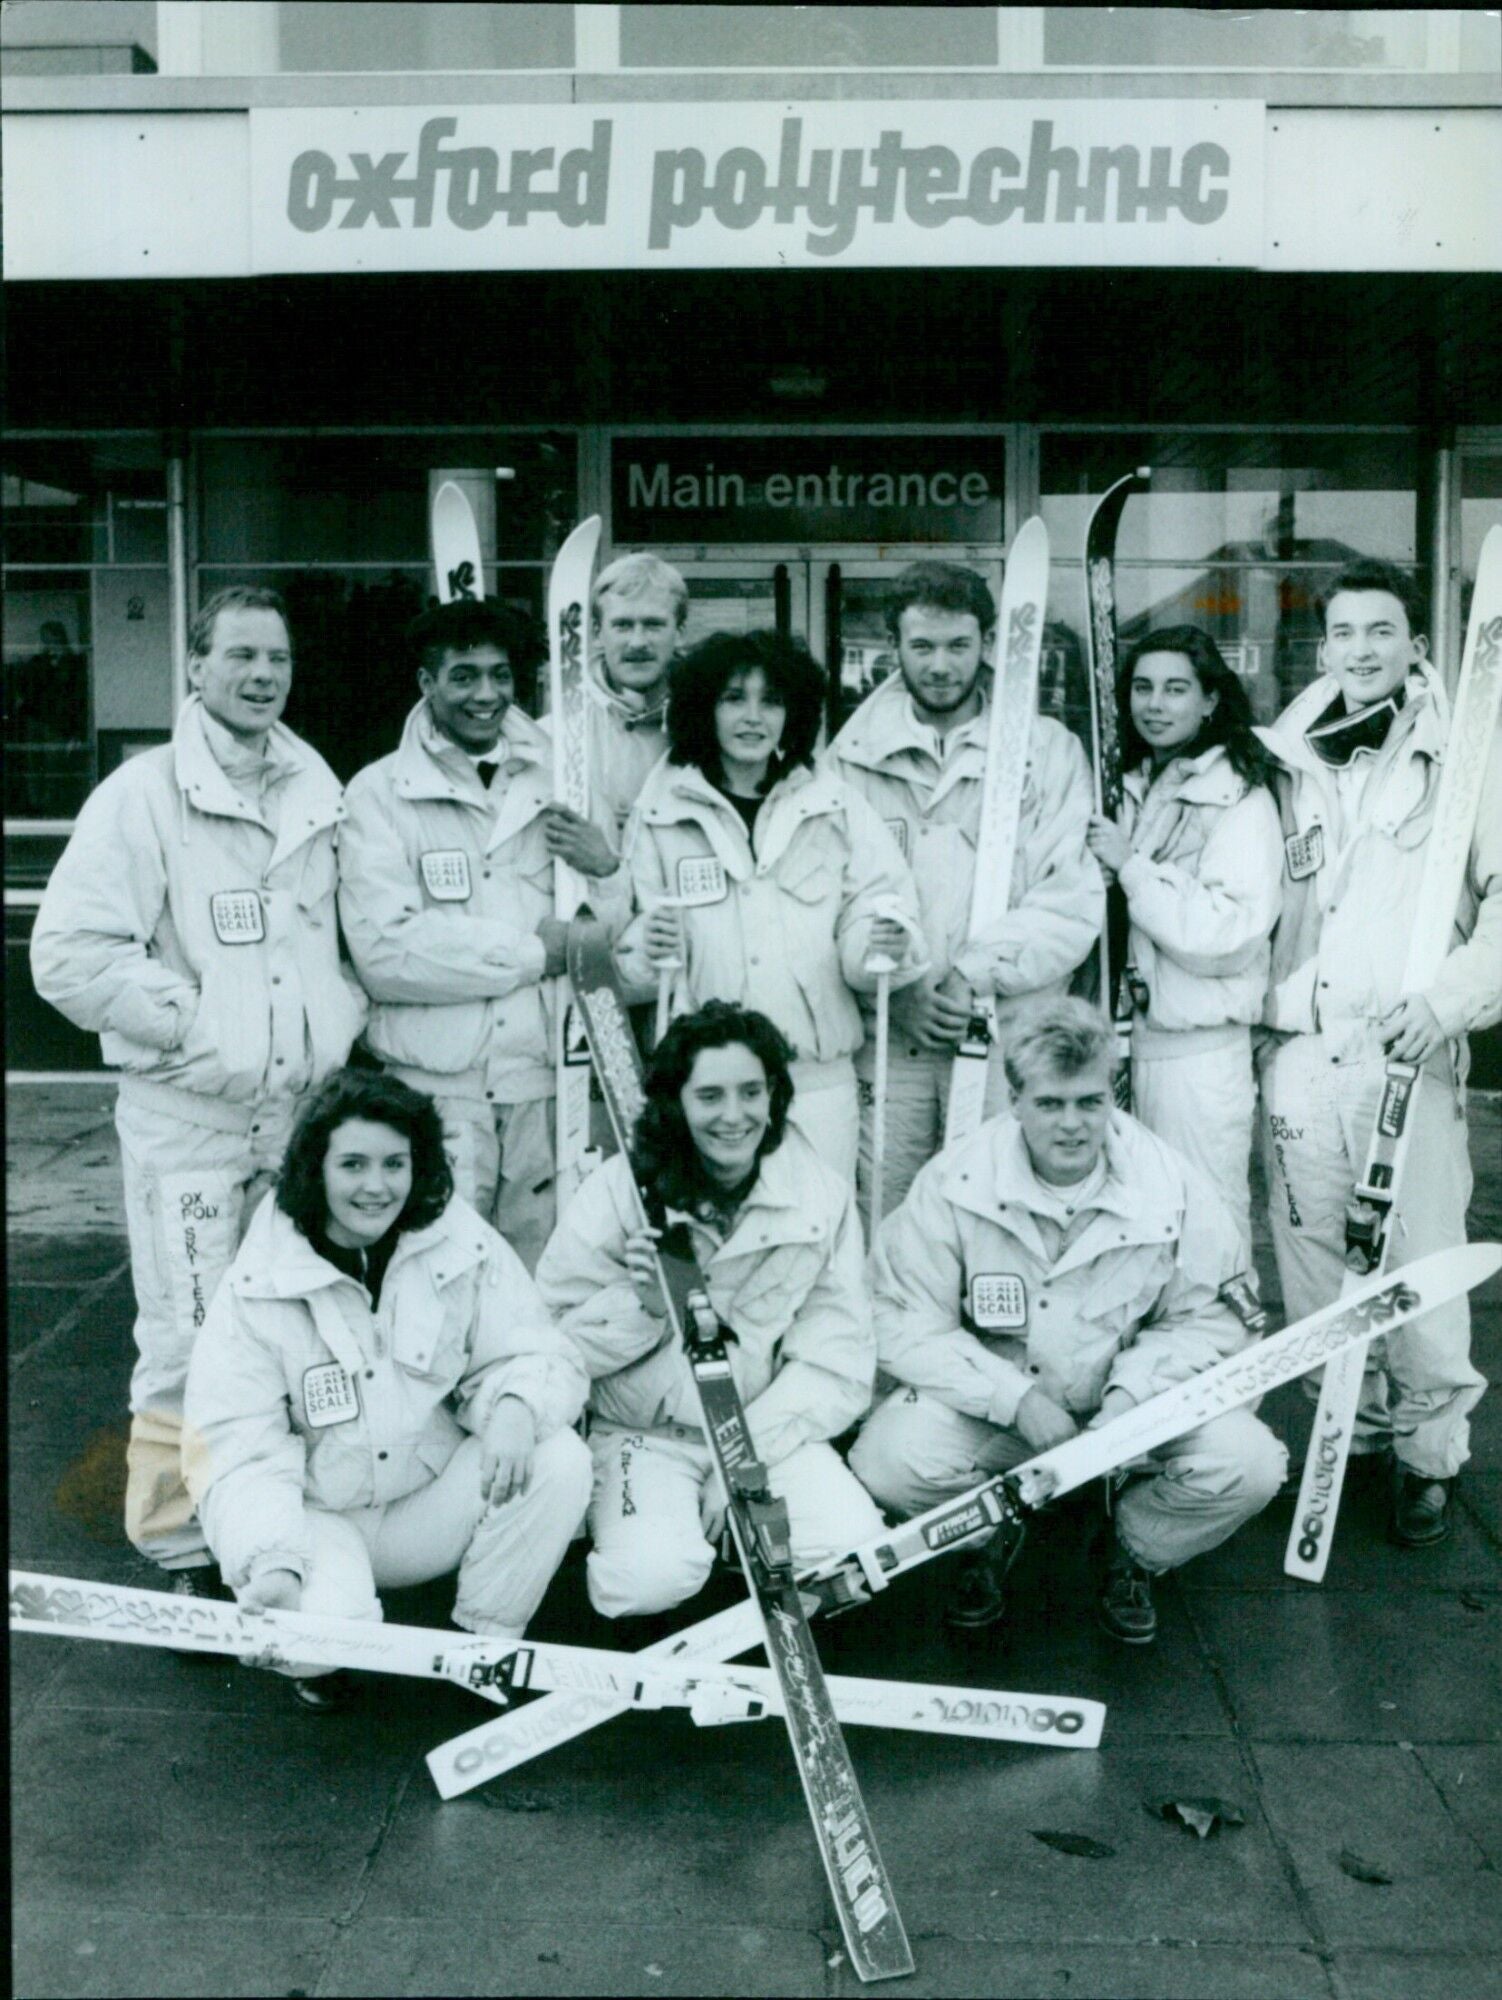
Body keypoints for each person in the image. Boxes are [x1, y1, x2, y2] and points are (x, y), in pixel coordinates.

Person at [31, 585, 365, 1596]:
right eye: (241, 657)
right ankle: (179, 1542)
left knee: (295, 1327)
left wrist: (332, 1014)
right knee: (185, 1332)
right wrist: (191, 1020)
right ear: (197, 666)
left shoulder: (316, 785)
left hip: (298, 1119)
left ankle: (268, 1522)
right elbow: (66, 954)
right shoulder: (141, 796)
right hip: (191, 1122)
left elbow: (337, 936)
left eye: (277, 658)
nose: (263, 675)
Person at [850, 1000, 1286, 1644]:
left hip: (1126, 1417)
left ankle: (1132, 1545)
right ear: (1016, 1099)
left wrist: (1130, 1399)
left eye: (1089, 1102)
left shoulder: (1170, 1183)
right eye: (1051, 1104)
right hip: (1003, 1416)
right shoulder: (955, 1182)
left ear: (1112, 1095)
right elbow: (900, 1317)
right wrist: (1014, 1398)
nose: (1073, 1125)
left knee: (1251, 1463)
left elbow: (1215, 1319)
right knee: (885, 1459)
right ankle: (991, 1532)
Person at [182, 1069, 591, 1710]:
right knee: (308, 1643)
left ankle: (482, 1646)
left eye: (394, 1163)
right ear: (314, 1168)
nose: (375, 1186)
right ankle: (323, 1640)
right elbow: (237, 1448)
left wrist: (516, 1403)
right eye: (352, 1164)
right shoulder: (257, 1284)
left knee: (557, 1455)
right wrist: (272, 1564)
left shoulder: (459, 1241)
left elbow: (536, 1349)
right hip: (318, 1522)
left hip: (424, 1505)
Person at [1257, 557, 1499, 1548]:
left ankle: (1423, 1453)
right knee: (1313, 1264)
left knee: (1424, 1264)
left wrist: (1446, 1004)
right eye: (1343, 632)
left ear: (1413, 644)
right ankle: (1343, 1436)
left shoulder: (1467, 754)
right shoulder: (1286, 756)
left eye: (1379, 631)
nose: (1359, 649)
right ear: (1324, 647)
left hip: (1409, 1049)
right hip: (1308, 1055)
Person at [534, 1001, 885, 1621]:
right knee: (645, 1583)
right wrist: (644, 1308)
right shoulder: (621, 1191)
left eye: (752, 1092)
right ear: (677, 1101)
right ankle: (667, 1535)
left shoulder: (818, 1195)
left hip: (762, 1429)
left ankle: (735, 1537)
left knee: (852, 1554)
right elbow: (550, 1349)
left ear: (775, 1096)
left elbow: (839, 1358)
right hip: (646, 1435)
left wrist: (742, 1462)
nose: (734, 1116)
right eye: (710, 1096)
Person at [337, 598, 628, 1272]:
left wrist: (607, 871)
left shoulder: (566, 781)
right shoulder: (378, 794)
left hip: (547, 1086)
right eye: (464, 676)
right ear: (426, 683)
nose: (486, 694)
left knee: (541, 1282)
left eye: (501, 676)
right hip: (435, 1090)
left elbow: (614, 938)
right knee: (434, 1276)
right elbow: (387, 953)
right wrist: (533, 954)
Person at [828, 560, 1102, 1219]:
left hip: (1004, 1036)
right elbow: (833, 903)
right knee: (884, 1222)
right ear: (893, 647)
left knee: (996, 1217)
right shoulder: (847, 758)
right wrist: (904, 984)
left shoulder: (1046, 751)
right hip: (892, 1040)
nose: (940, 665)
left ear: (986, 643)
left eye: (958, 645)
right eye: (921, 646)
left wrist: (969, 977)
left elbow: (1069, 902)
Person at [617, 629, 924, 1180]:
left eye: (772, 700)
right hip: (709, 1086)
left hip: (815, 1081)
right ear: (704, 707)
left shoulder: (831, 803)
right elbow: (634, 951)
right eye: (734, 698)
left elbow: (876, 906)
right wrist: (647, 945)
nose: (753, 716)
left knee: (821, 1239)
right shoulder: (662, 810)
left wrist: (880, 943)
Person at [1085, 625, 1282, 1252]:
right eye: (1143, 687)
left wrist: (1133, 869)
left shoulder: (1239, 796)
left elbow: (1228, 933)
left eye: (1175, 689)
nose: (1155, 704)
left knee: (1203, 1220)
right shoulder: (1128, 786)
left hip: (1198, 1053)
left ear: (1209, 700)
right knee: (1128, 1221)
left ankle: (1223, 1346)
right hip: (1123, 1043)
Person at [586, 552, 685, 844]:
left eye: (653, 624)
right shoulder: (556, 733)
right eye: (623, 625)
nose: (638, 641)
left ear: (679, 633)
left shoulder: (714, 726)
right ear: (597, 633)